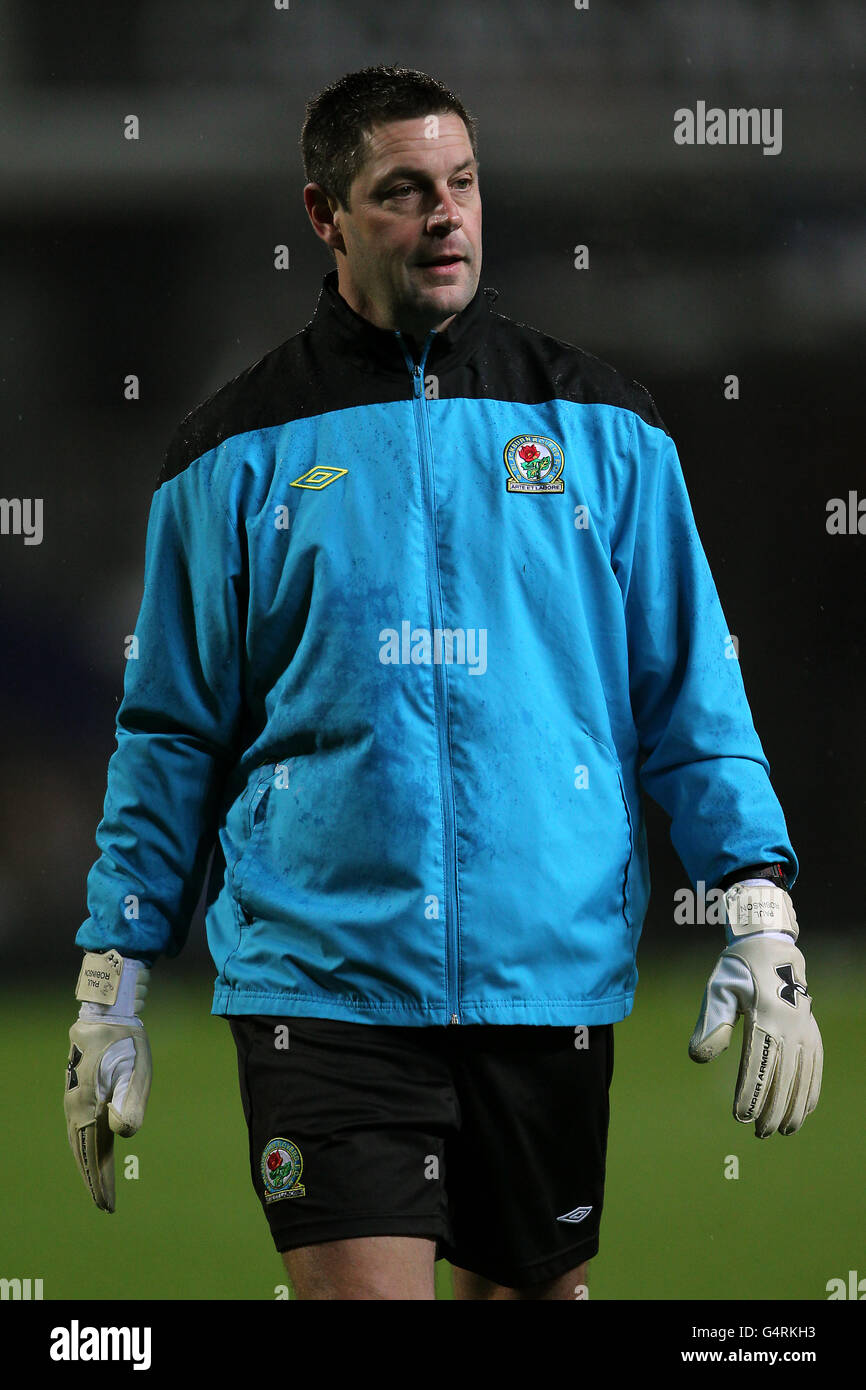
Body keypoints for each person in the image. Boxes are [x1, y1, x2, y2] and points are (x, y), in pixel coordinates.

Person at [64, 65, 822, 1301]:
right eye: (403, 191)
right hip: (322, 979)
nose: (446, 216)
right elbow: (169, 734)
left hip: (548, 974)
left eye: (461, 184)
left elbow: (690, 692)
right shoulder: (226, 452)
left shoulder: (604, 428)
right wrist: (113, 973)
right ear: (324, 215)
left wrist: (756, 902)